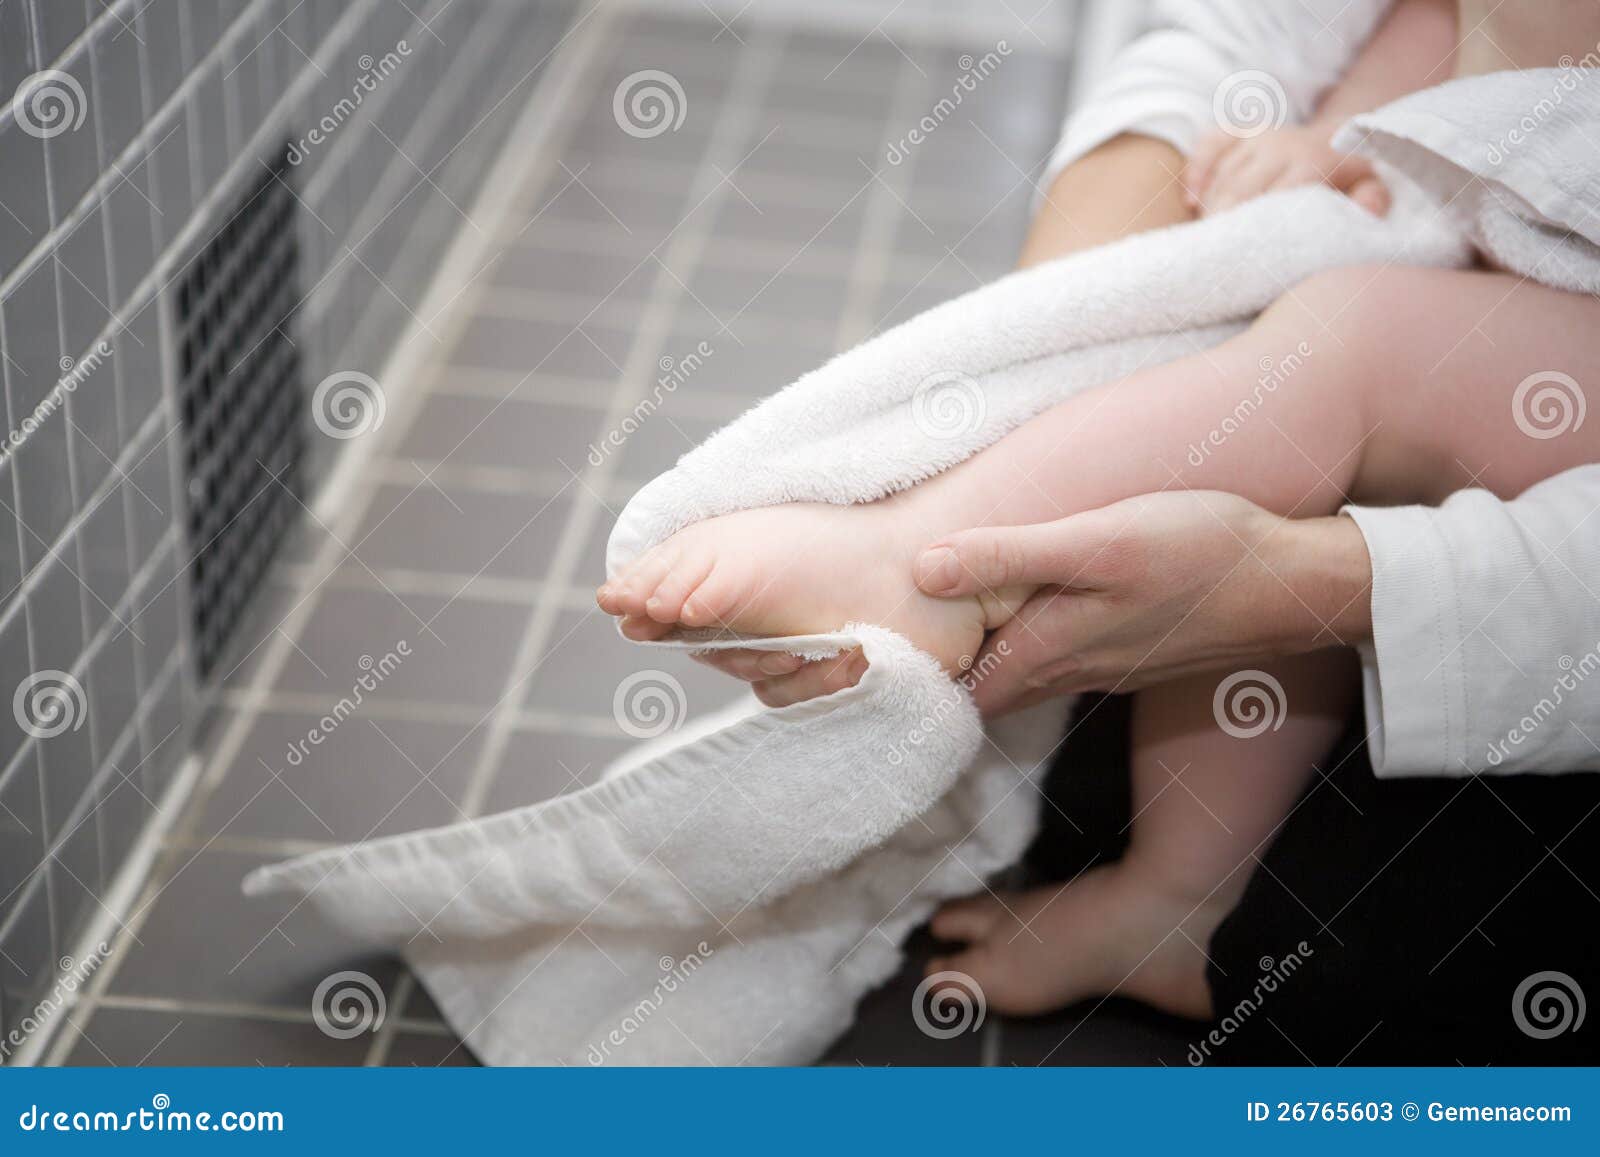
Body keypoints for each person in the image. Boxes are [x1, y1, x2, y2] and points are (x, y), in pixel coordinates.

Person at [597, 0, 1600, 1034]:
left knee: (1360, 343)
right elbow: (1395, 29)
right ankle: (1180, 893)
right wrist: (1307, 162)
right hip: (1478, 286)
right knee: (1246, 458)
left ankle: (924, 560)